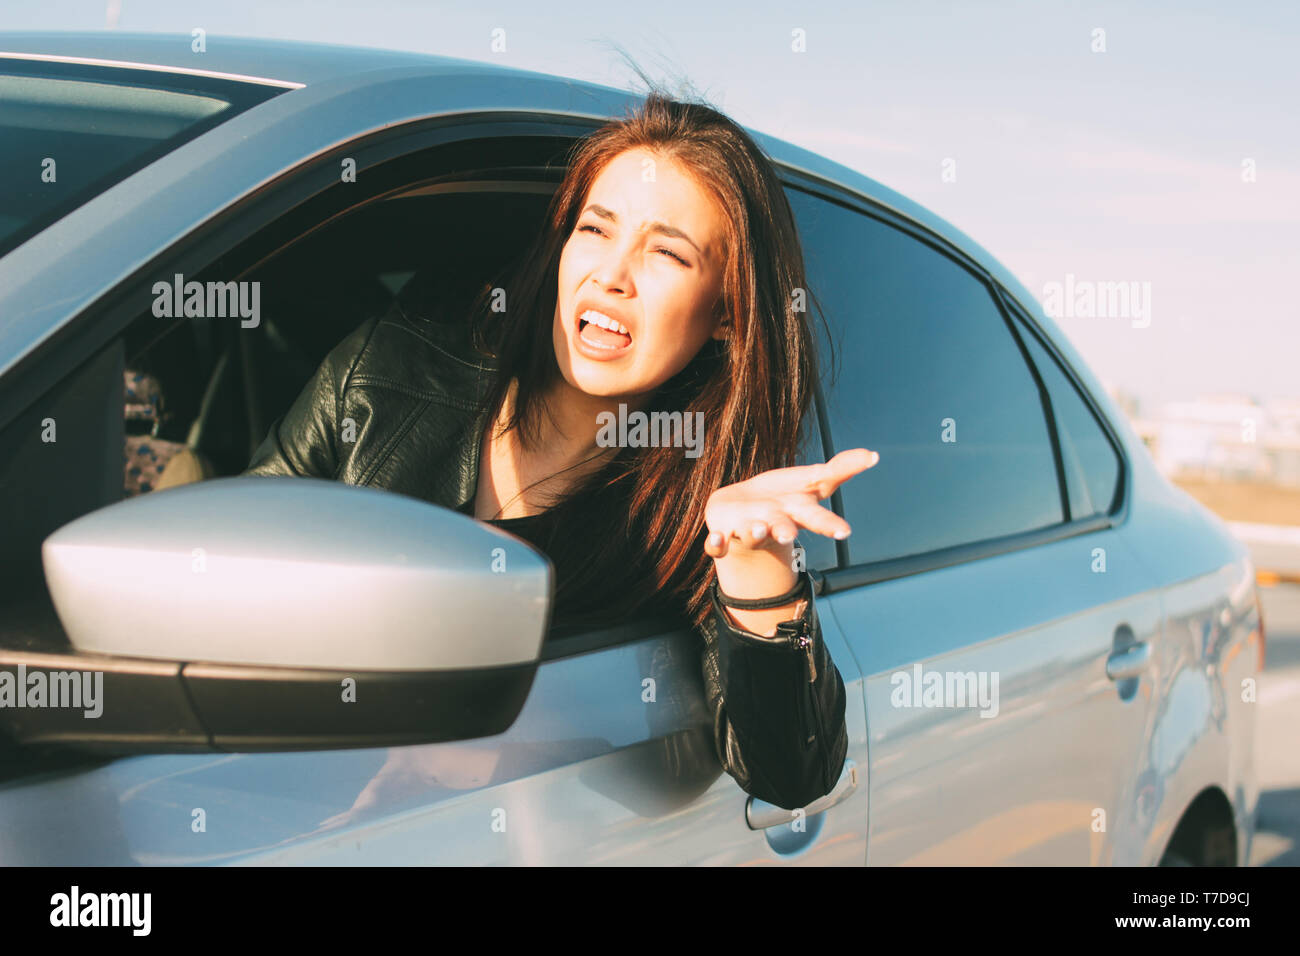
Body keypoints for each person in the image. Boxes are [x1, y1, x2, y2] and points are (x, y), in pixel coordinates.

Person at [243, 88, 879, 812]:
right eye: (595, 229)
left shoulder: (702, 511)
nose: (612, 274)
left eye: (667, 252)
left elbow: (792, 775)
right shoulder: (387, 368)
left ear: (728, 311)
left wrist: (756, 563)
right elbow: (229, 572)